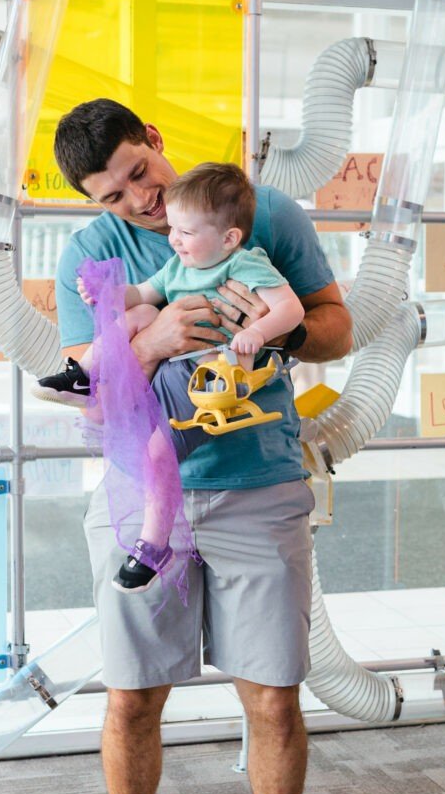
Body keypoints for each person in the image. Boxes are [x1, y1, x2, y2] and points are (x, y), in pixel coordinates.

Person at [50, 98, 351, 794]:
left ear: (154, 140)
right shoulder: (91, 255)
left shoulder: (260, 212)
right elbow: (83, 385)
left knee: (272, 693)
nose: (140, 201)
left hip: (258, 486)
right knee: (132, 695)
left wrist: (273, 334)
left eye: (140, 174)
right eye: (114, 195)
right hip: (142, 496)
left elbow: (336, 327)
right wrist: (153, 341)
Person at [37, 162, 306, 594]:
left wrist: (258, 332)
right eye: (174, 230)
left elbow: (291, 309)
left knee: (157, 452)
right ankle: (83, 374)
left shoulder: (246, 264)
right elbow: (141, 294)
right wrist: (108, 293)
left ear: (228, 238)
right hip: (172, 367)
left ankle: (153, 545)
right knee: (143, 312)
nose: (173, 239)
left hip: (209, 375)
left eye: (185, 232)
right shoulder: (179, 266)